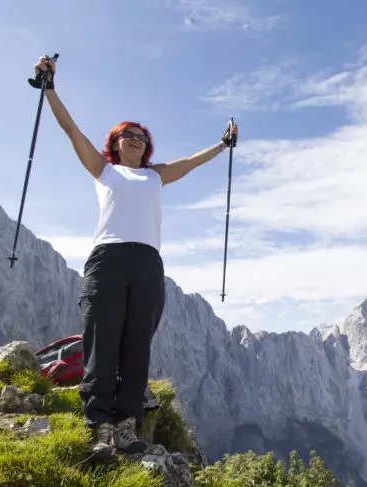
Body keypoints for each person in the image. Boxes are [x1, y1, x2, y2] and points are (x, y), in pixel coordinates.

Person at [32, 55, 238, 459]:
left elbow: (192, 163)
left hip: (147, 263)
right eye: (128, 134)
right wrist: (50, 86)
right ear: (115, 142)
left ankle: (127, 425)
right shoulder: (104, 171)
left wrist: (222, 144)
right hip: (107, 260)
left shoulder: (155, 175)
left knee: (137, 346)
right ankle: (100, 428)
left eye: (142, 136)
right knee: (101, 342)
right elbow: (70, 128)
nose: (136, 138)